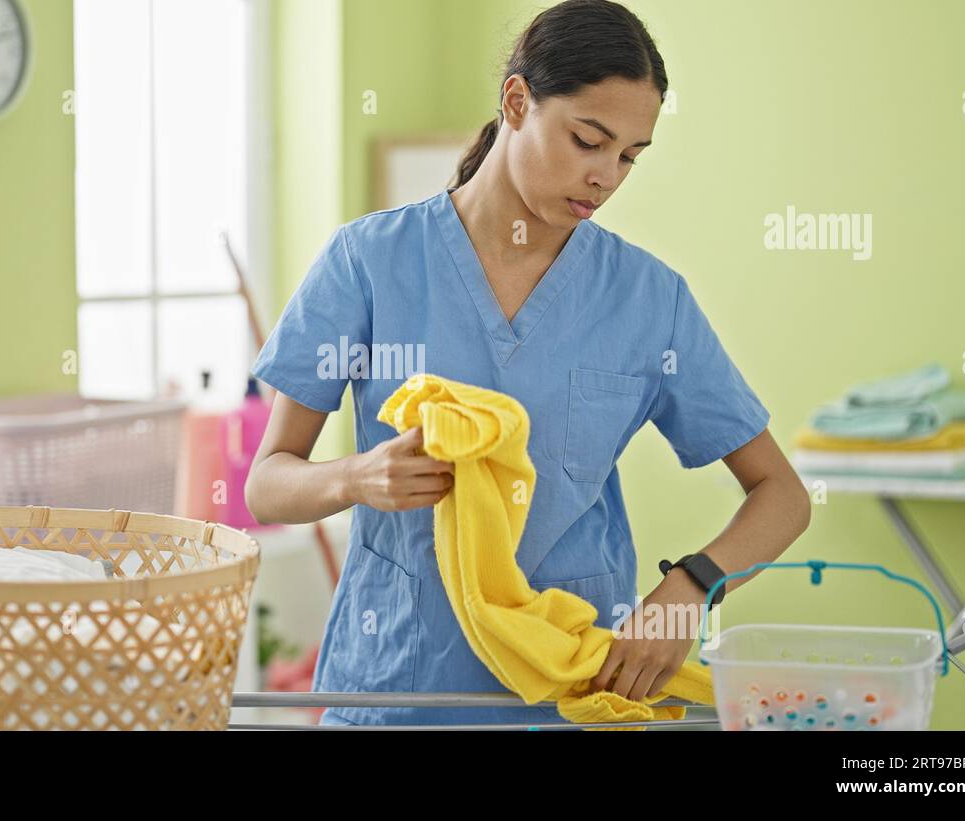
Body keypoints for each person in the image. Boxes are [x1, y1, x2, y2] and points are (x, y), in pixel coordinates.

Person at [245, 0, 811, 727]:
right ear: (517, 101)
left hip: (569, 692)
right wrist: (357, 476)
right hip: (397, 688)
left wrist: (689, 588)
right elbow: (268, 484)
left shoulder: (648, 298)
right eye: (588, 140)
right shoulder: (369, 263)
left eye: (630, 156)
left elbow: (783, 495)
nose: (607, 176)